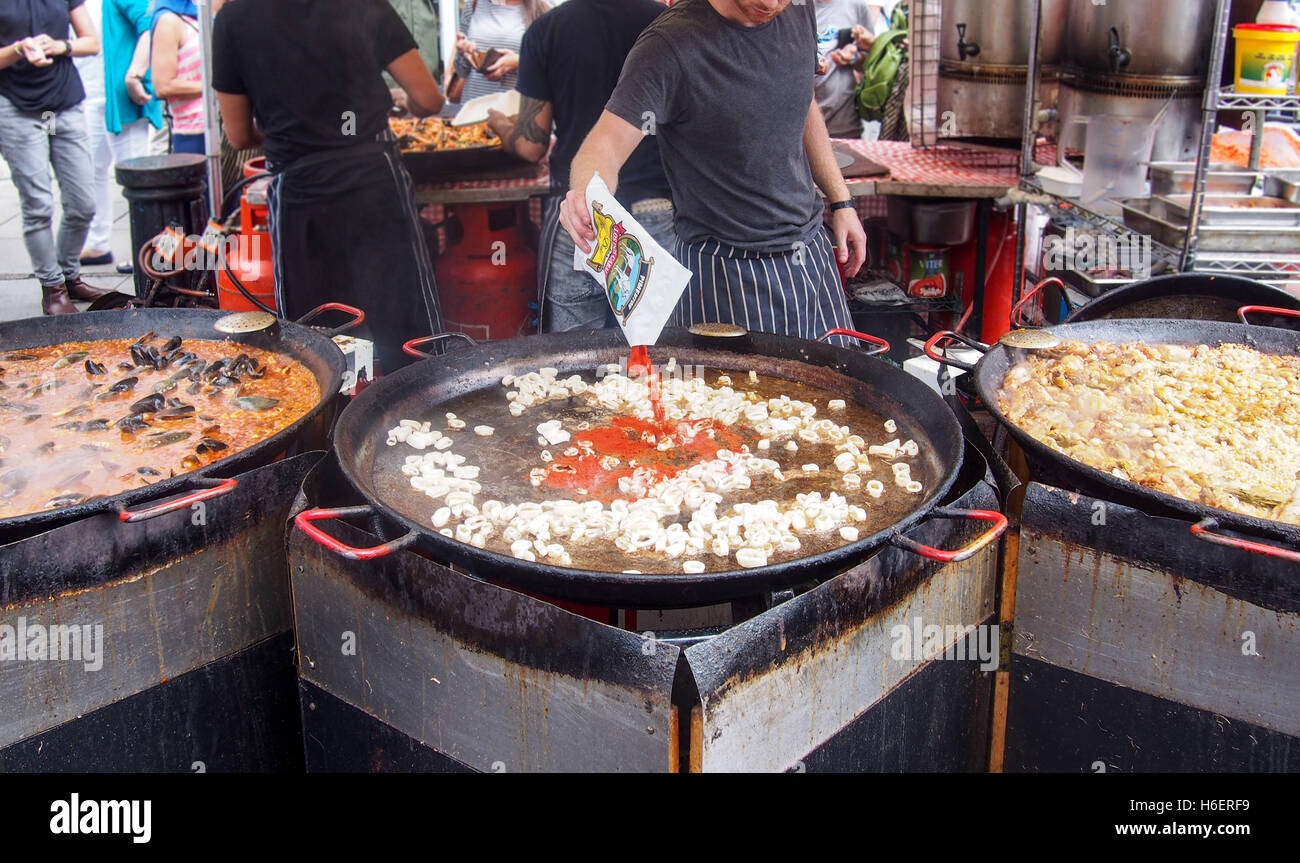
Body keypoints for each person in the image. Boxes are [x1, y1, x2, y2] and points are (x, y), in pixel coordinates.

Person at [559, 0, 866, 344]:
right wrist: (586, 194)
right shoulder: (669, 45)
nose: (771, 3)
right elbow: (605, 144)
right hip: (725, 275)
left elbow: (802, 99)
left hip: (810, 257)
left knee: (839, 391)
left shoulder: (798, 9)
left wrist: (841, 202)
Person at [212, 0, 446, 373]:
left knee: (316, 340)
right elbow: (429, 100)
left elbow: (238, 136)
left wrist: (295, 128)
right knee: (408, 334)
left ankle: (331, 426)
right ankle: (421, 418)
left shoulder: (232, 18)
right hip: (374, 181)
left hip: (299, 192)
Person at [485, 0, 675, 332]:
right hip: (656, 213)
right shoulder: (670, 24)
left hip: (580, 216)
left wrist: (500, 125)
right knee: (657, 359)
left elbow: (531, 145)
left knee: (572, 363)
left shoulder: (545, 32)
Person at [0, 0, 113, 315]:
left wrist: (60, 45)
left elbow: (91, 42)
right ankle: (53, 290)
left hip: (64, 103)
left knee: (83, 203)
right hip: (15, 108)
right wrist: (19, 49)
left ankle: (68, 275)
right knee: (38, 205)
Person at [77, 0, 163, 268]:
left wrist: (134, 75)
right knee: (92, 170)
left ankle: (146, 250)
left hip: (120, 99)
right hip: (88, 98)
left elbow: (151, 26)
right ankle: (97, 242)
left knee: (137, 178)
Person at [446, 0, 548, 108]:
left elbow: (551, 67)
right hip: (473, 111)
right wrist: (463, 52)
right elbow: (462, 71)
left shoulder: (540, 9)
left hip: (514, 112)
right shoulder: (473, 4)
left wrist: (519, 62)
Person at [813, 0, 879, 139]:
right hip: (803, 127)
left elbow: (871, 61)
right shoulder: (795, 7)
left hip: (844, 124)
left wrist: (854, 58)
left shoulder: (856, 5)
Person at [150, 0, 204, 154]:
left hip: (221, 130)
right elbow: (163, 86)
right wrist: (214, 88)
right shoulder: (168, 20)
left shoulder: (199, 12)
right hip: (192, 134)